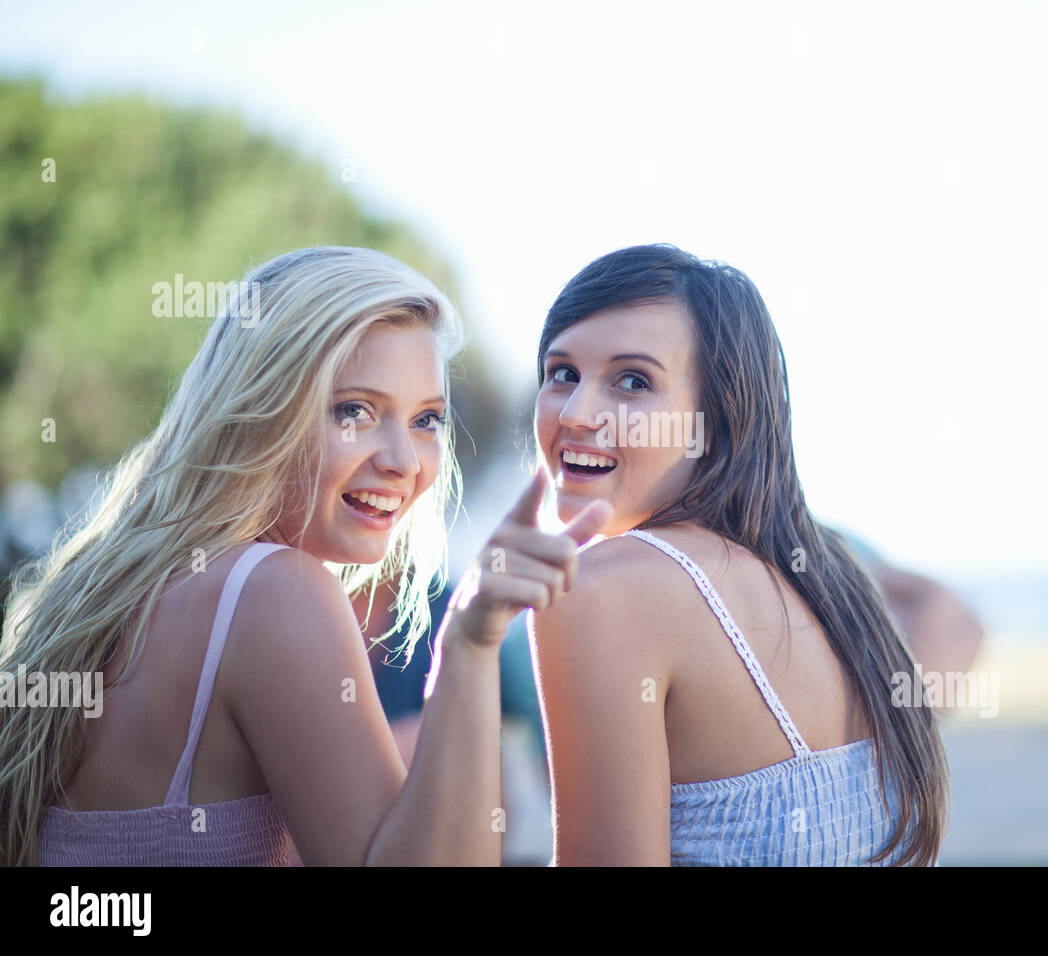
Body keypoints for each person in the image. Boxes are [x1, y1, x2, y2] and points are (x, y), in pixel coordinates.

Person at [0, 246, 608, 866]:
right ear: (261, 407)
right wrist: (470, 643)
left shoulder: (111, 590)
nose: (403, 461)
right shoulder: (274, 591)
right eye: (355, 411)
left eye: (426, 420)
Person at [529, 244, 950, 865]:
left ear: (717, 416)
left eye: (633, 381)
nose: (575, 413)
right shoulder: (832, 574)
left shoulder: (601, 589)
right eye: (562, 372)